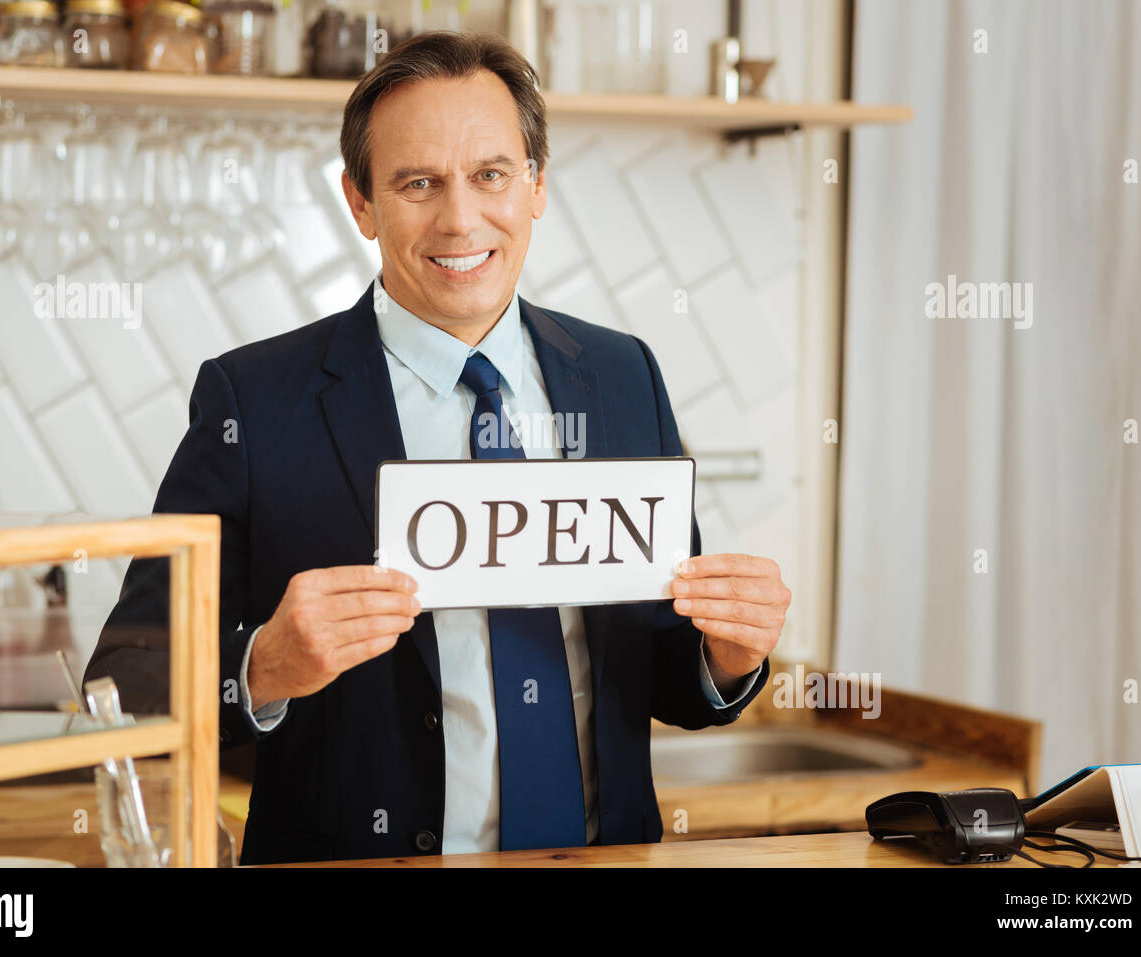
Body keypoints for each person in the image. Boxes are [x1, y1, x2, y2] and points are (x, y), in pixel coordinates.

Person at [85, 31, 791, 864]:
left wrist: (729, 655)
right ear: (360, 203)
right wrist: (260, 664)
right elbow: (123, 681)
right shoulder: (255, 401)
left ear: (535, 185)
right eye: (418, 182)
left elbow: (669, 670)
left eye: (491, 174)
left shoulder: (622, 374)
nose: (461, 218)